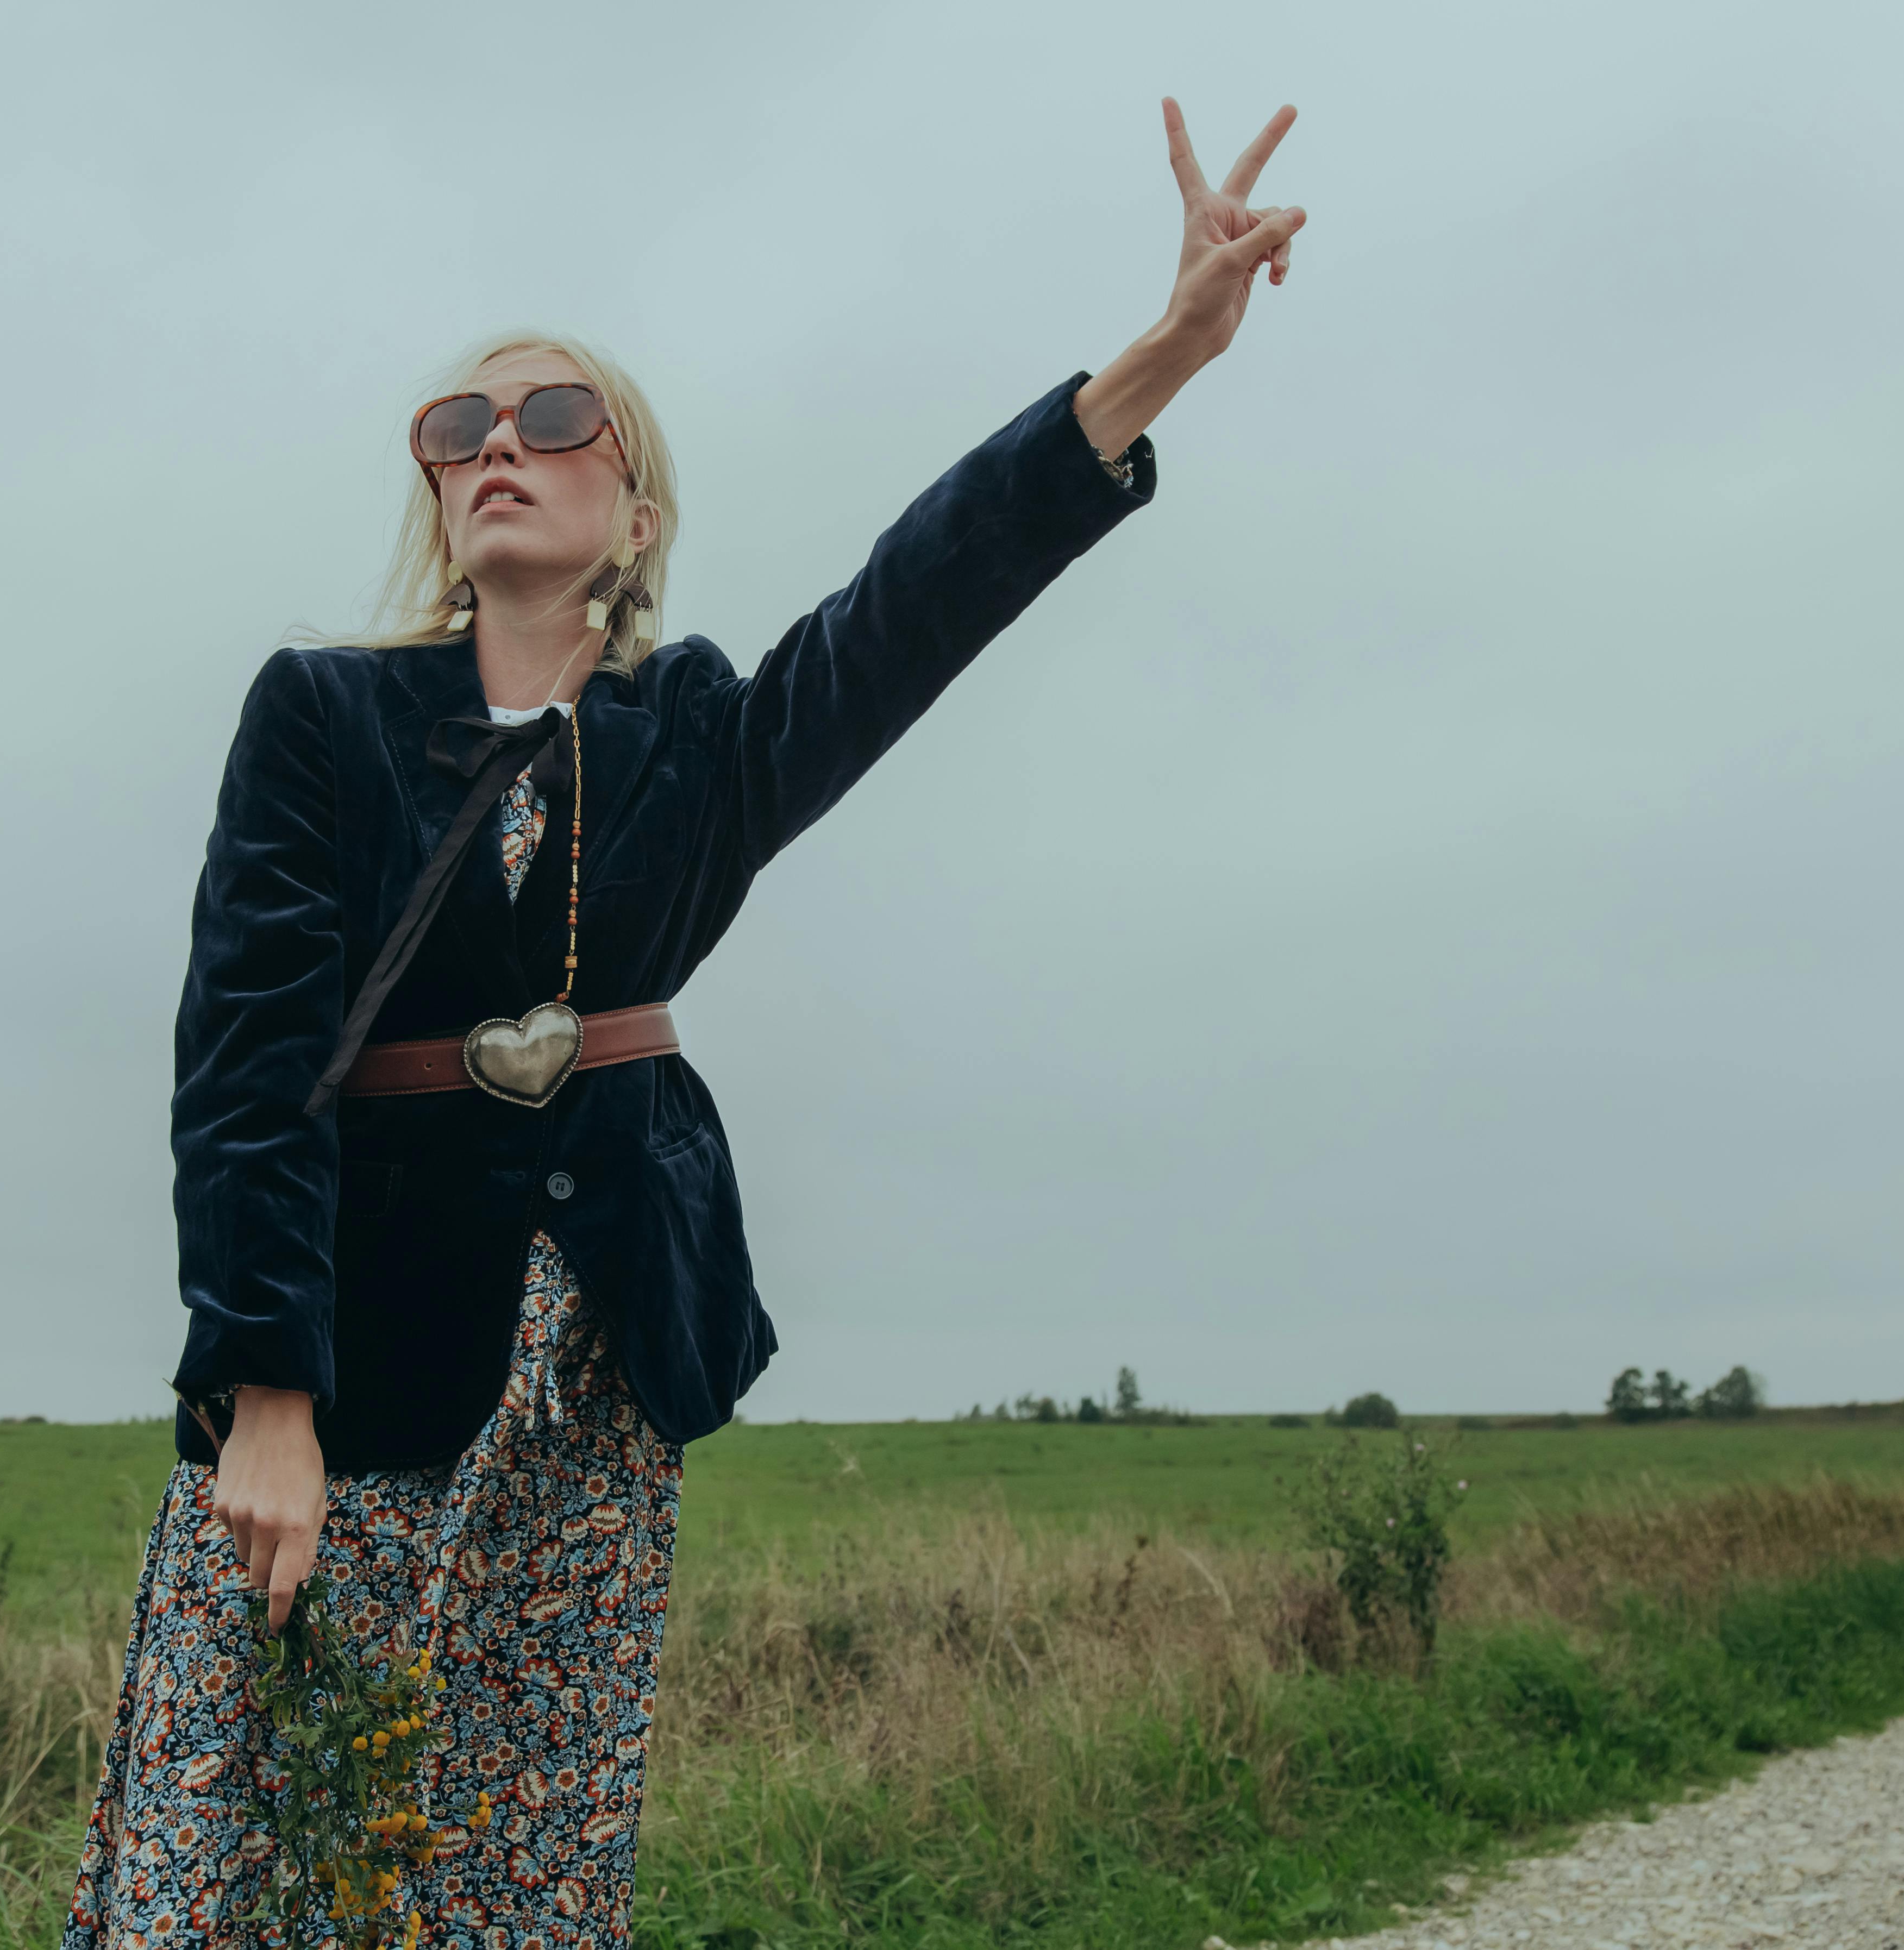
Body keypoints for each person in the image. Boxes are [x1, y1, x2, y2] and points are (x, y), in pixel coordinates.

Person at [67, 95, 1307, 1950]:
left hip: (586, 1393)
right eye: (461, 428)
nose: (502, 445)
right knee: (245, 1869)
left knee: (516, 1881)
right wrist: (265, 1397)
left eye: (553, 418)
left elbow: (908, 611)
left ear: (630, 509)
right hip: (353, 1378)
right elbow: (245, 1062)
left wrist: (1155, 364)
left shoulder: (701, 737)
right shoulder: (320, 715)